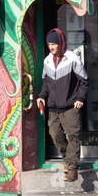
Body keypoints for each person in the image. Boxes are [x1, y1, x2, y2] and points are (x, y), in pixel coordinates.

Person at [36, 28, 88, 182]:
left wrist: (80, 98)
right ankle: (68, 158)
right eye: (49, 44)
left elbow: (84, 81)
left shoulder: (72, 58)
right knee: (55, 135)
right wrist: (42, 96)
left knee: (73, 136)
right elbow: (46, 82)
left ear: (60, 43)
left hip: (71, 106)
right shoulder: (47, 60)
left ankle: (72, 168)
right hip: (53, 107)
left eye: (54, 44)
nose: (51, 47)